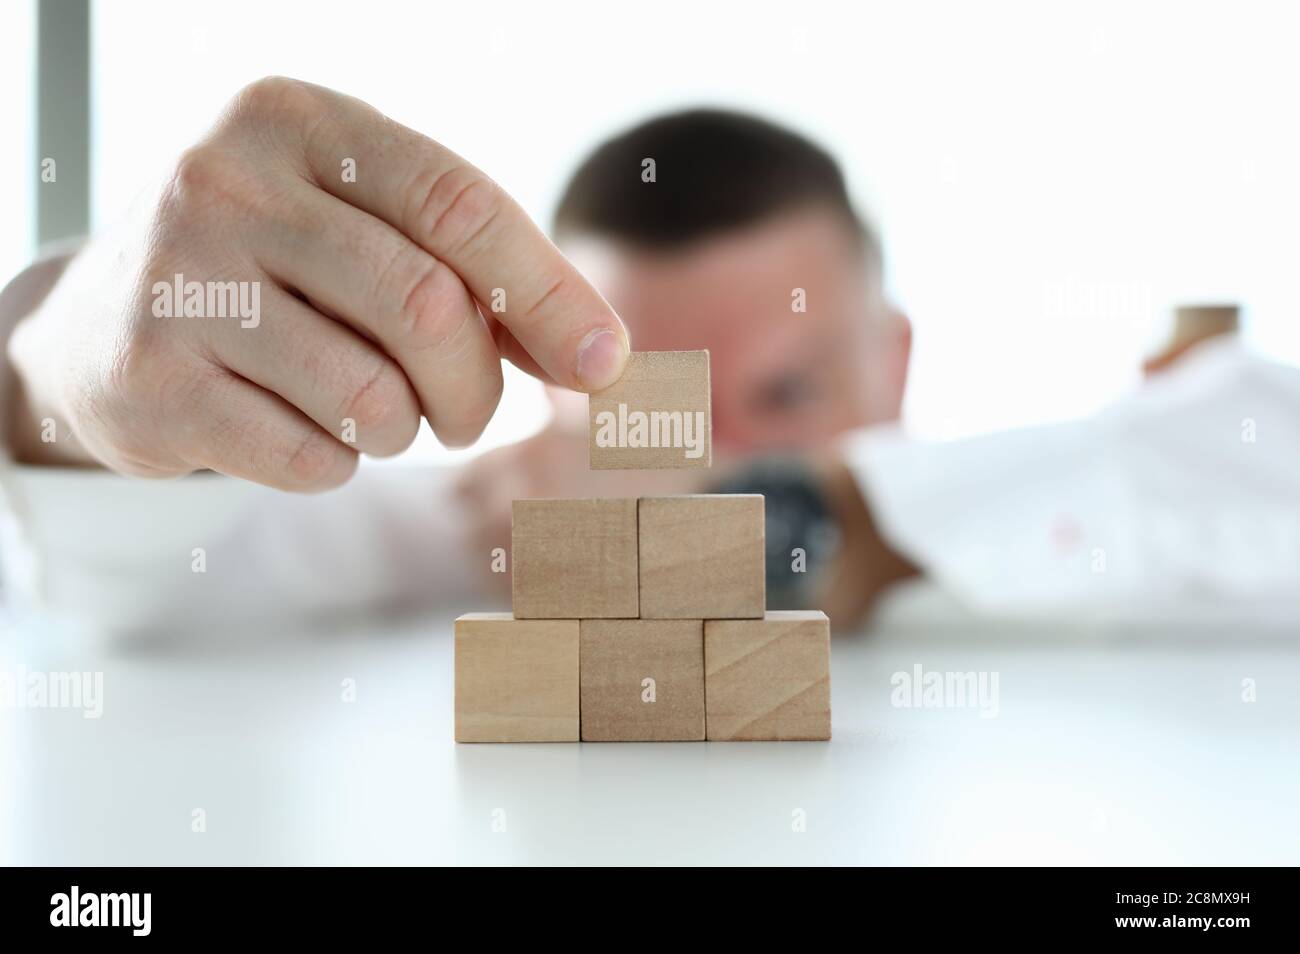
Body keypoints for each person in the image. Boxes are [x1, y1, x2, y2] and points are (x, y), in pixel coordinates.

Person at [3, 78, 1299, 637]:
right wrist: (55, 369)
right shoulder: (485, 524)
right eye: (640, 393)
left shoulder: (1072, 492)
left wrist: (789, 524)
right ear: (550, 388)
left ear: (894, 363)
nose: (713, 444)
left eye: (788, 390)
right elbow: (141, 581)